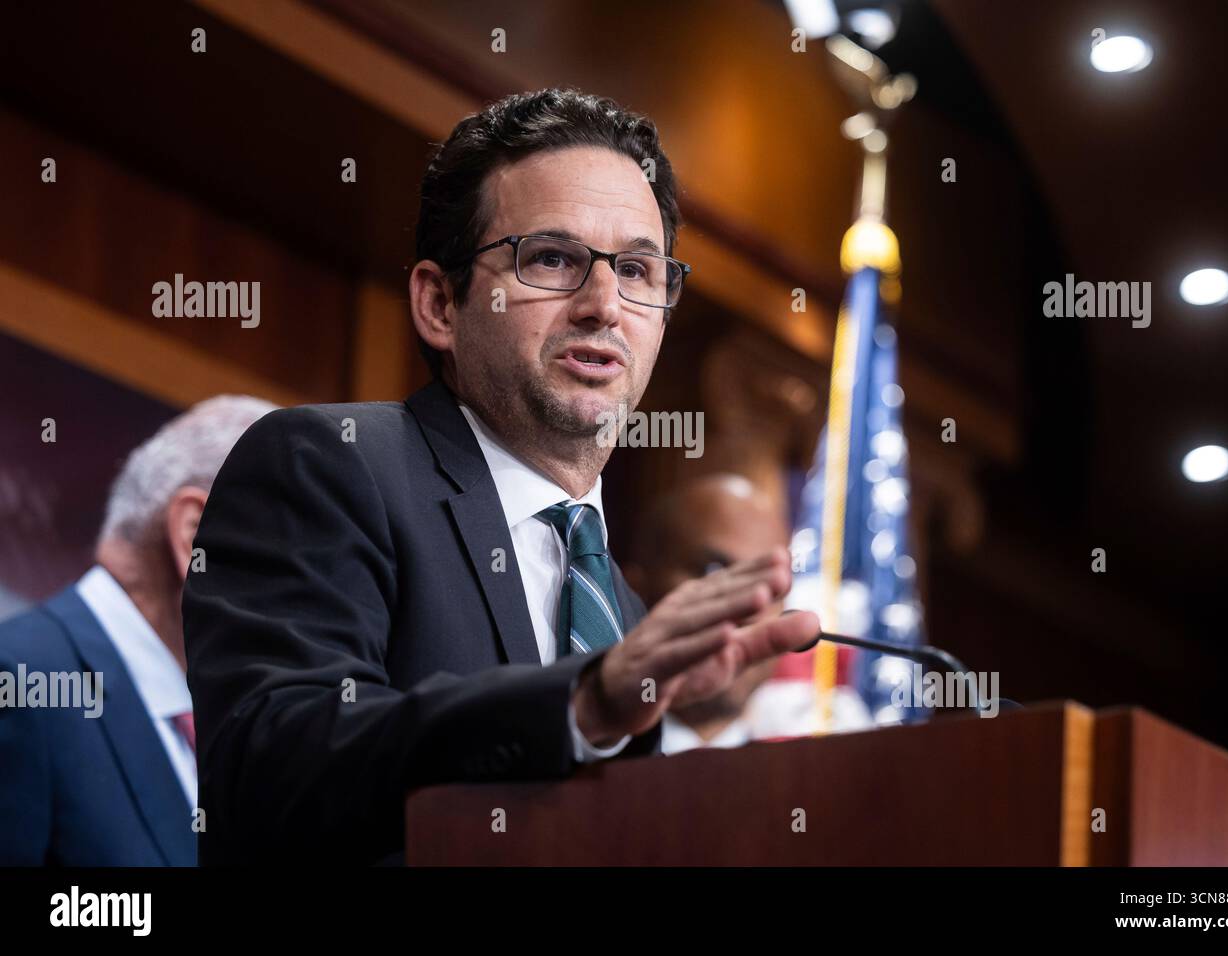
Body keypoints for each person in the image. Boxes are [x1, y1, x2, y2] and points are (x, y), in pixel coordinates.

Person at [181, 88, 821, 864]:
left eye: (637, 270)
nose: (603, 305)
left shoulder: (620, 607)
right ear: (441, 303)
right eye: (551, 258)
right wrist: (577, 704)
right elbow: (267, 770)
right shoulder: (331, 465)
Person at [0, 395, 275, 865]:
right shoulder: (23, 683)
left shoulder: (231, 737)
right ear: (196, 536)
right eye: (310, 556)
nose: (333, 599)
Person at [624, 473, 870, 754]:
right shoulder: (572, 749)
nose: (751, 607)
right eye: (713, 571)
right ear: (636, 591)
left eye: (771, 587)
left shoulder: (823, 769)